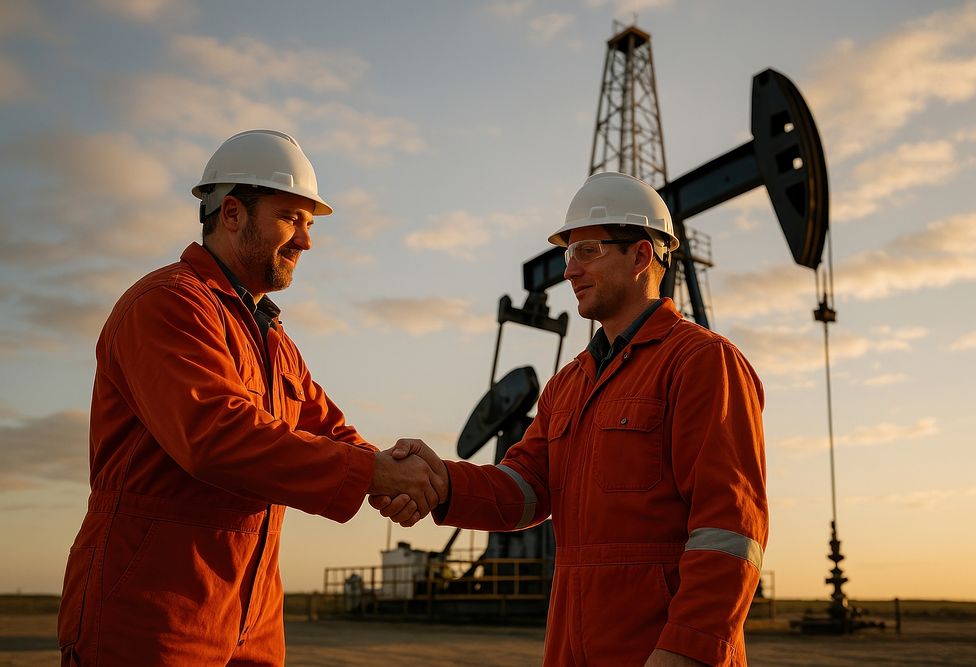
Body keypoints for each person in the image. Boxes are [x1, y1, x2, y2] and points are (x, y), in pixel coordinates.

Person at [57, 129, 445, 666]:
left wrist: (399, 473)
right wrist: (377, 475)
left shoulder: (273, 340)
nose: (306, 241)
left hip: (253, 618)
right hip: (152, 616)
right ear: (233, 213)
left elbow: (331, 432)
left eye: (310, 225)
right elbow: (215, 436)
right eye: (291, 218)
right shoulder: (168, 304)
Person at [374, 172, 768, 666]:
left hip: (657, 651)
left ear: (641, 256)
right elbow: (523, 489)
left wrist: (687, 648)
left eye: (587, 251)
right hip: (570, 647)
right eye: (568, 255)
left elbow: (730, 527)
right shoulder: (568, 385)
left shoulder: (702, 362)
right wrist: (441, 482)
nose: (569, 272)